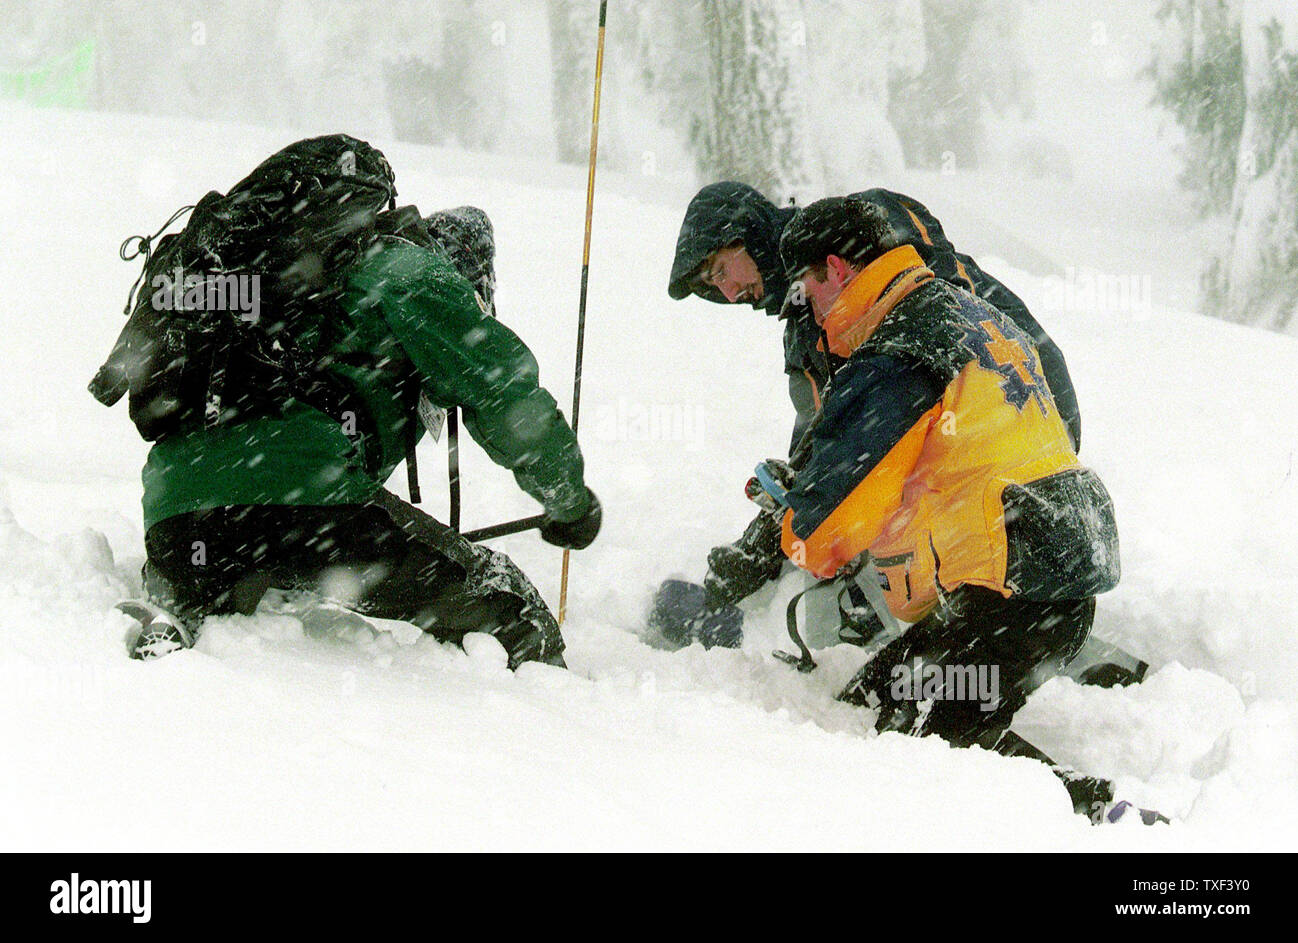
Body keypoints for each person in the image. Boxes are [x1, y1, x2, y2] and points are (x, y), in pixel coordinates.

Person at [95, 135, 600, 669]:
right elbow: (505, 395)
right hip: (303, 504)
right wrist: (569, 501)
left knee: (229, 607)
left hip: (178, 509)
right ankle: (565, 719)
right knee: (512, 609)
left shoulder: (295, 278)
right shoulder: (412, 273)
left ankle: (176, 615)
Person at [774, 196, 1141, 820]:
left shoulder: (898, 347)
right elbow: (938, 463)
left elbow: (825, 524)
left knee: (936, 748)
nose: (807, 305)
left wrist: (791, 518)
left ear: (836, 269)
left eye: (806, 285)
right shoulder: (963, 310)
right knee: (882, 697)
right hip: (1048, 564)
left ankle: (1104, 819)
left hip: (1019, 585)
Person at [655, 182, 1080, 648]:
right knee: (874, 578)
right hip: (1001, 438)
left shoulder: (861, 235)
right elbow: (827, 455)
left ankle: (992, 655)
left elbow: (930, 351)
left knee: (913, 567)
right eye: (713, 286)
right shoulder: (810, 332)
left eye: (721, 269)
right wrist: (747, 562)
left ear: (748, 232)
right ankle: (975, 649)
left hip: (1017, 424)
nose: (730, 293)